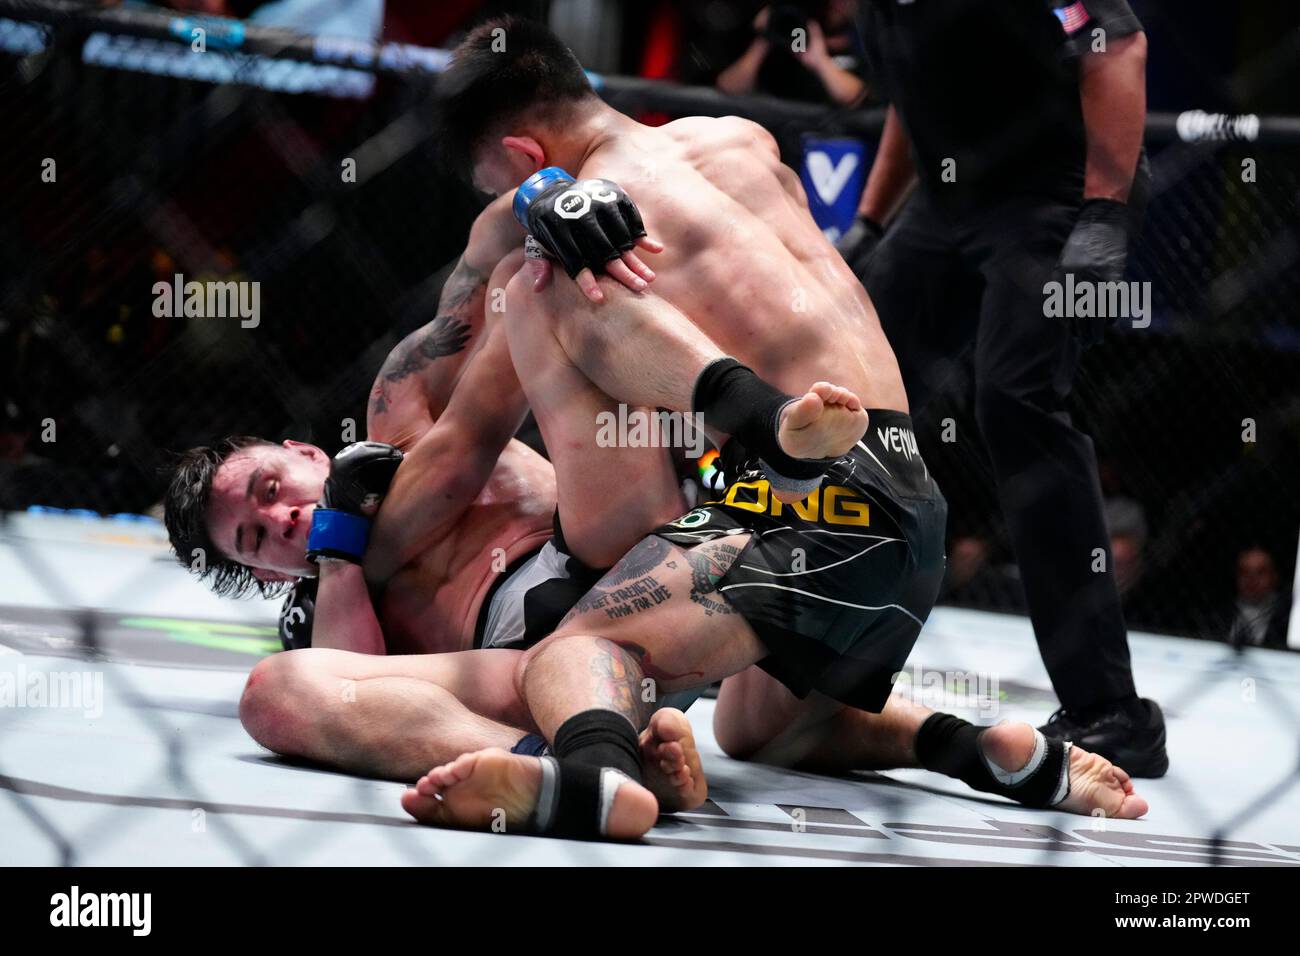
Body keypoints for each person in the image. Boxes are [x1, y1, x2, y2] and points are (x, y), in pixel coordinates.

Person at [405, 16, 1147, 840]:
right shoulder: (739, 138)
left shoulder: (574, 231)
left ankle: (601, 781)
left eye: (499, 185)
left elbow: (450, 364)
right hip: (909, 510)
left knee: (572, 659)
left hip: (810, 496)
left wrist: (536, 205)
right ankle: (971, 746)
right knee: (753, 728)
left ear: (520, 160)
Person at [163, 192, 707, 806]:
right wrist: (339, 550)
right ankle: (571, 766)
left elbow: (482, 258)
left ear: (305, 452)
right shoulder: (322, 615)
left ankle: (738, 420)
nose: (279, 516)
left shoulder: (399, 412)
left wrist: (547, 197)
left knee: (530, 275)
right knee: (273, 693)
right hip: (531, 671)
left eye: (270, 488)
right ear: (265, 571)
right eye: (255, 537)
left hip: (621, 557)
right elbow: (350, 688)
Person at [836, 0, 1168, 775]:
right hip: (948, 205)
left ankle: (1110, 709)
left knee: (1016, 400)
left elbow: (1116, 46)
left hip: (1055, 192)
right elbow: (915, 104)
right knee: (852, 381)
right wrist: (873, 222)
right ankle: (794, 638)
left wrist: (1104, 216)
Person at [716, 1, 867, 107]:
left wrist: (820, 61)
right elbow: (728, 88)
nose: (838, 3)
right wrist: (767, 35)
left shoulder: (864, 43)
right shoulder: (780, 42)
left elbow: (855, 98)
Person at [1226, 547, 1290, 650]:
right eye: (1244, 572)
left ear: (1274, 576)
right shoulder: (1218, 612)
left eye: (1260, 572)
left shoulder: (1289, 617)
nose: (1251, 579)